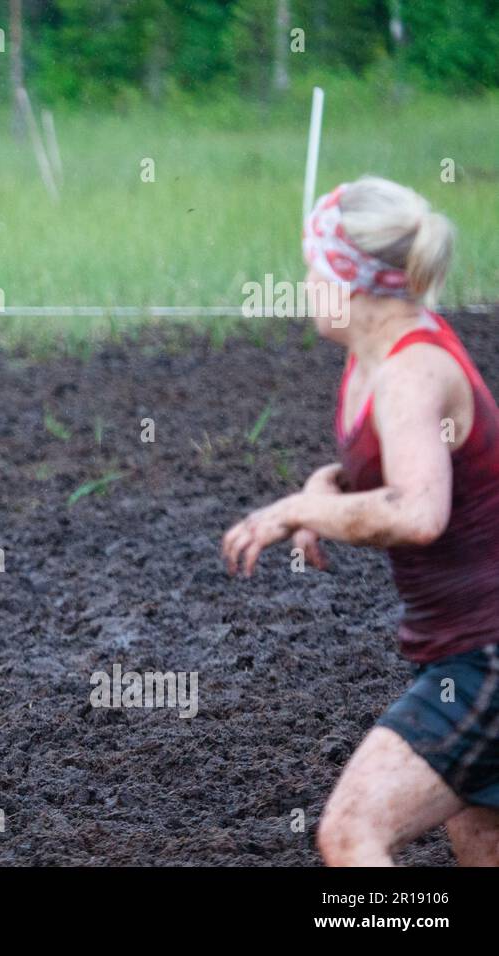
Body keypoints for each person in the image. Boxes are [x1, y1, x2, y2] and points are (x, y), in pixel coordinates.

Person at [221, 176, 499, 866]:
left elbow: (418, 511)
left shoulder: (411, 372)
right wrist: (333, 488)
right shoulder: (372, 358)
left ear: (350, 279)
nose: (306, 283)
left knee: (351, 834)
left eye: (314, 267)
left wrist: (299, 507)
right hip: (460, 646)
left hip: (487, 654)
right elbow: (408, 466)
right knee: (480, 834)